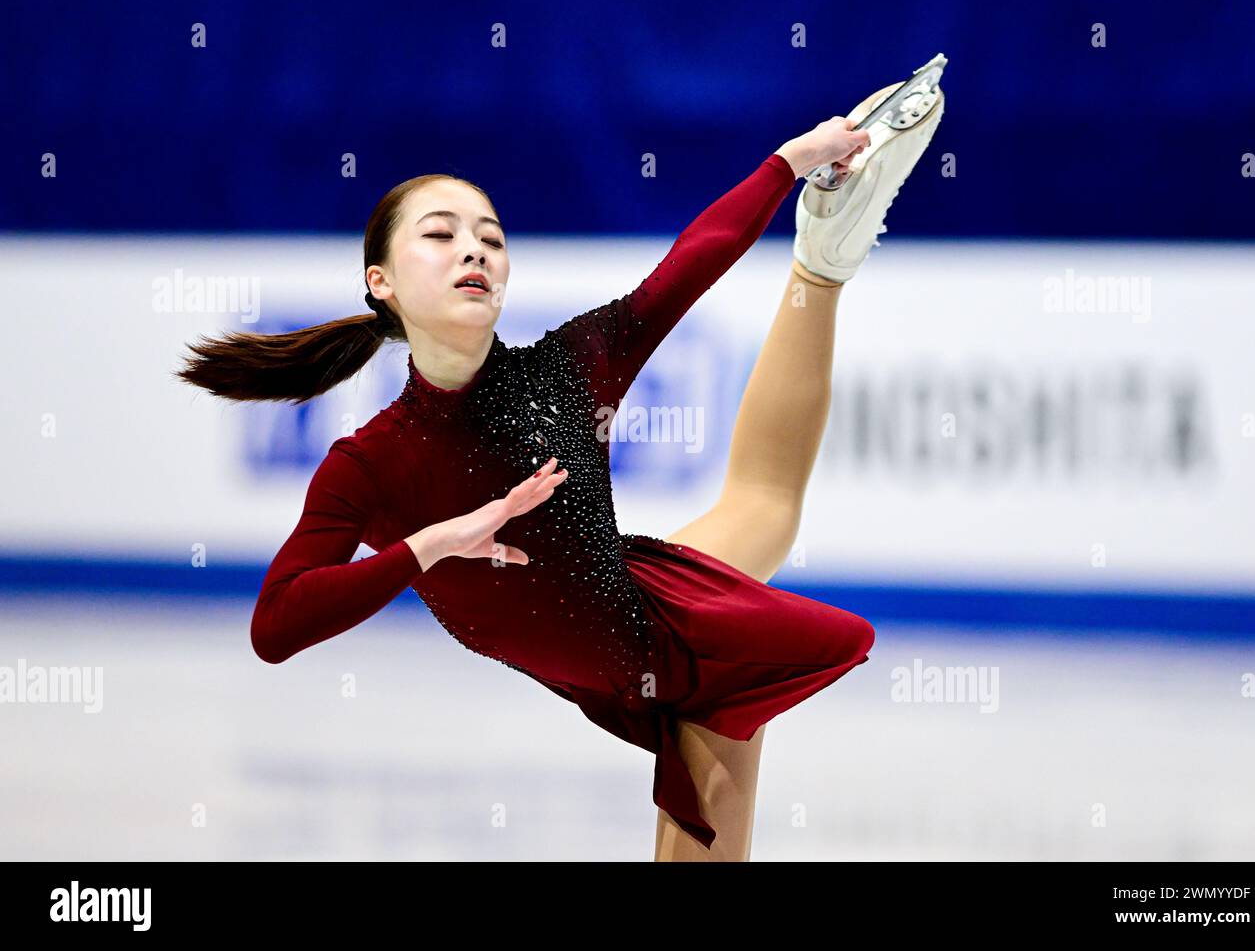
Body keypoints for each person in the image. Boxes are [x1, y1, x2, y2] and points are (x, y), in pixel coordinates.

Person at [176, 79, 944, 861]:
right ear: (382, 281)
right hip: (617, 632)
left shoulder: (569, 372)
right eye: (440, 235)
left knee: (765, 509)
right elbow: (276, 626)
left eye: (491, 236)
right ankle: (821, 268)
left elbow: (691, 262)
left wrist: (788, 162)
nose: (475, 248)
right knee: (763, 511)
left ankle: (821, 261)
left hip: (644, 629)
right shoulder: (369, 464)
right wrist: (432, 544)